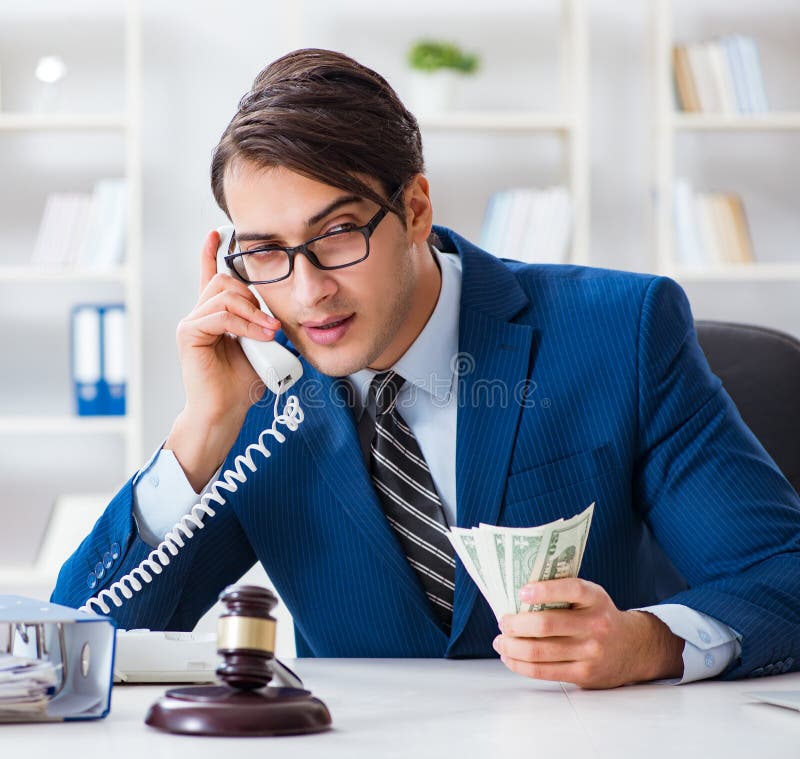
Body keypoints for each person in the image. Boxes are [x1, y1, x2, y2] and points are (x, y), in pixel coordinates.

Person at [52, 48, 800, 689]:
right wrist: (199, 432)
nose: (308, 291)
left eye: (339, 233)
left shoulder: (619, 332)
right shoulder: (253, 392)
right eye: (267, 251)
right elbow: (77, 648)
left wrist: (651, 643)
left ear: (414, 209)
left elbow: (783, 574)